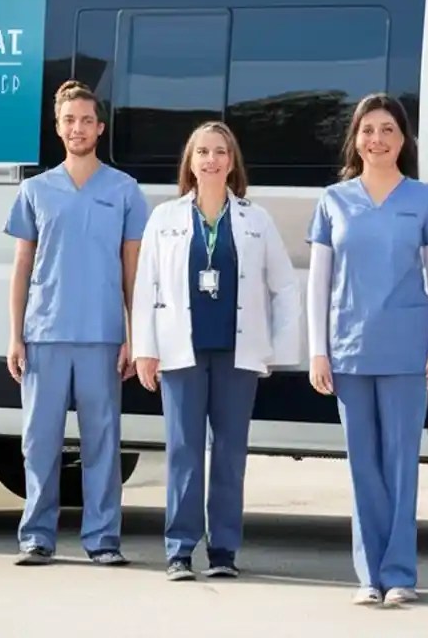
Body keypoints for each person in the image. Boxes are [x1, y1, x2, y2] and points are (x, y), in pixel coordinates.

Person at [131, 121, 301, 582]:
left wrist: (277, 350)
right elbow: (146, 287)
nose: (211, 160)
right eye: (202, 152)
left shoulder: (255, 219)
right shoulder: (164, 219)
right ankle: (180, 550)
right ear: (190, 162)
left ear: (232, 161)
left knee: (229, 452)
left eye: (219, 151)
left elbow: (285, 286)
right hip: (179, 353)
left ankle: (223, 550)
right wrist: (145, 350)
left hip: (237, 354)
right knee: (184, 450)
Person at [306, 93, 428, 606]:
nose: (378, 139)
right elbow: (318, 283)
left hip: (407, 351)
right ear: (356, 138)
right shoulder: (334, 200)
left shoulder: (424, 200)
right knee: (362, 464)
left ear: (403, 139)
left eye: (388, 129)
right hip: (349, 351)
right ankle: (369, 575)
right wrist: (317, 351)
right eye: (368, 129)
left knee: (400, 464)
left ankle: (401, 574)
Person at [4, 79, 149, 566]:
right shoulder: (35, 190)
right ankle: (37, 536)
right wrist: (14, 336)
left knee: (102, 444)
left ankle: (103, 539)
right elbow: (22, 265)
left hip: (103, 336)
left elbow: (133, 269)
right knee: (38, 442)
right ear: (58, 126)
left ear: (100, 127)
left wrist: (134, 335)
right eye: (70, 120)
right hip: (44, 333)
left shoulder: (124, 190)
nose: (78, 128)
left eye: (87, 120)